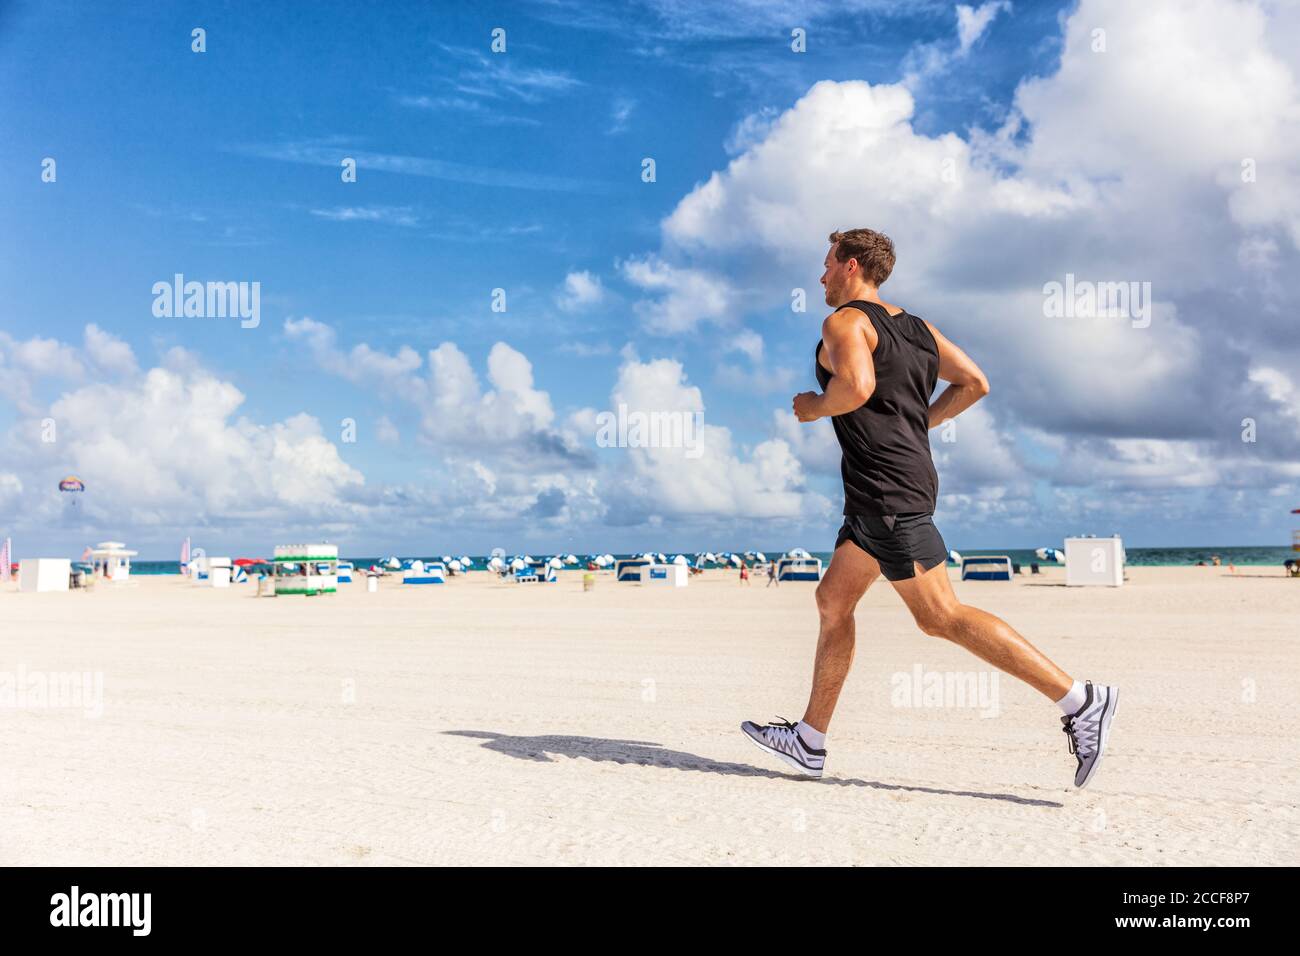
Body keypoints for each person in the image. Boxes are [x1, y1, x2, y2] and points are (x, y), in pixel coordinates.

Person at [741, 228, 1119, 789]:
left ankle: (1080, 700)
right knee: (832, 601)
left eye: (825, 265)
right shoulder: (918, 329)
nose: (819, 277)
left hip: (888, 491)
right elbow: (975, 382)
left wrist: (815, 406)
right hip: (885, 488)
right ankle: (810, 740)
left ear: (850, 266)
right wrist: (921, 425)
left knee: (940, 616)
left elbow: (858, 388)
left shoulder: (844, 322)